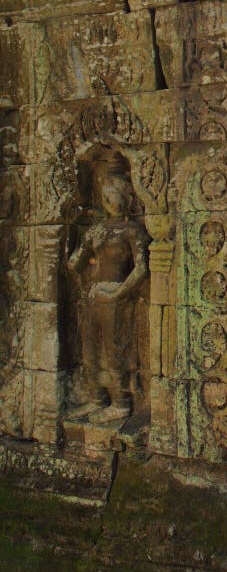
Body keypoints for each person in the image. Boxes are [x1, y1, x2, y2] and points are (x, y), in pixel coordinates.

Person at [67, 156, 148, 424]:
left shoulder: (131, 230)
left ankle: (121, 402)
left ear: (126, 196)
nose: (109, 199)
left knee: (114, 349)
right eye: (106, 194)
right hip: (93, 295)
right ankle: (95, 398)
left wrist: (118, 292)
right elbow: (74, 263)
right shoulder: (97, 229)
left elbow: (140, 269)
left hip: (114, 297)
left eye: (114, 193)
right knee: (89, 346)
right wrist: (82, 240)